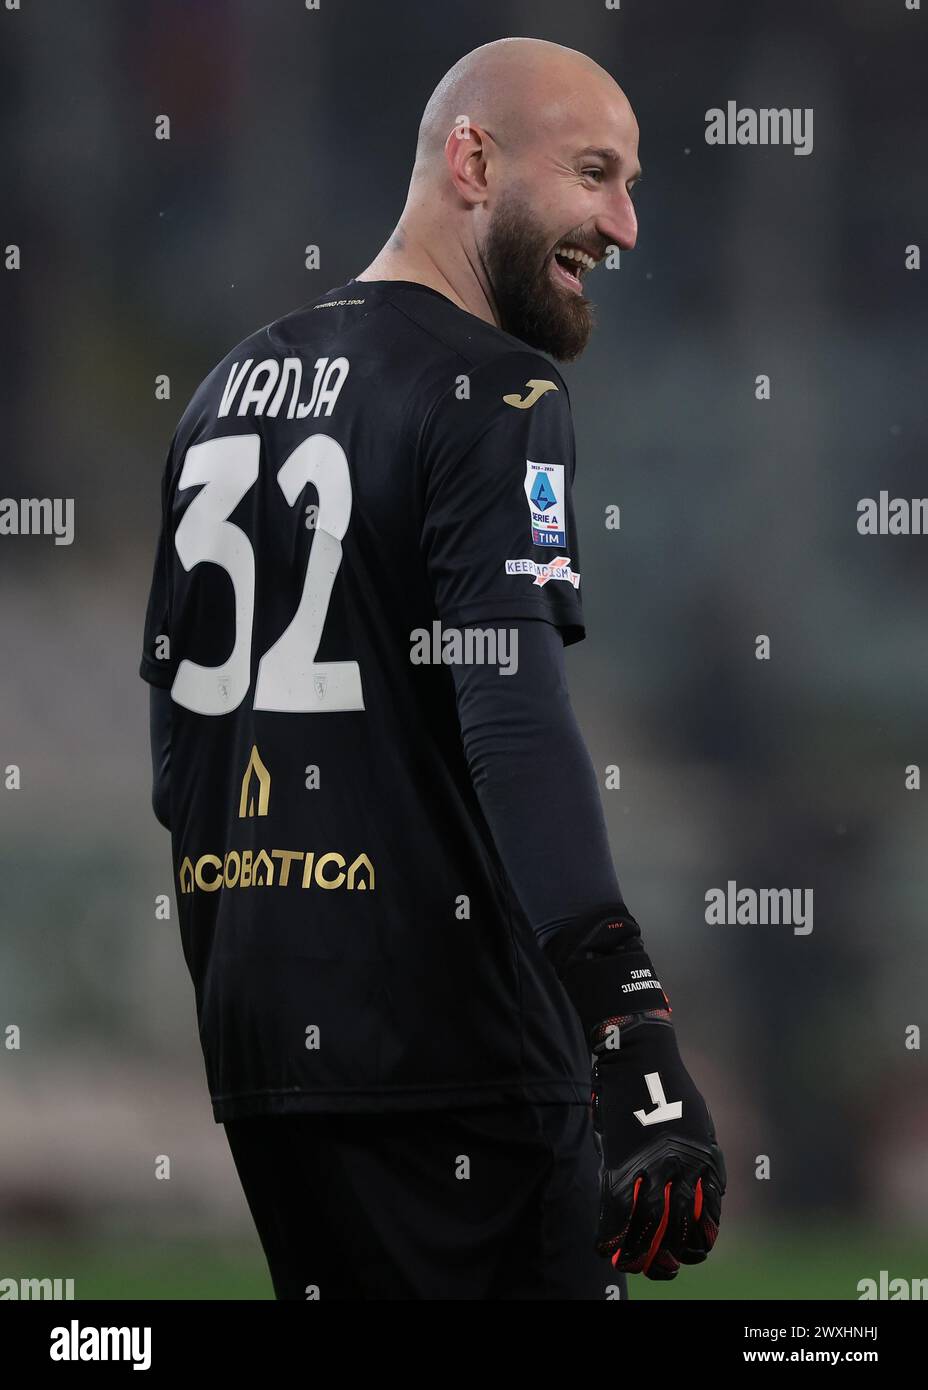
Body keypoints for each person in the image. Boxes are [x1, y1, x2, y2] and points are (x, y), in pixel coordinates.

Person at [141, 36, 725, 1300]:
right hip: (453, 1051)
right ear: (472, 160)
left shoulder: (218, 396)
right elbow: (512, 718)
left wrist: (253, 983)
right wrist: (627, 1026)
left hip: (268, 1053)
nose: (624, 223)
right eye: (592, 174)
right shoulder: (494, 391)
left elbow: (179, 754)